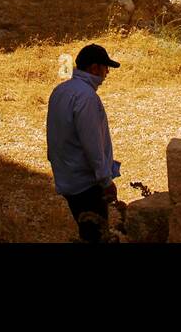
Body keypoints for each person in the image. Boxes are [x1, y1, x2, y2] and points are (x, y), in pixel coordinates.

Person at [46, 43, 122, 242]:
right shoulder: (86, 97)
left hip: (67, 176)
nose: (107, 74)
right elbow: (92, 144)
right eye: (106, 68)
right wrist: (106, 181)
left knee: (87, 231)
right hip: (86, 183)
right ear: (95, 68)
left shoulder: (61, 90)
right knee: (96, 235)